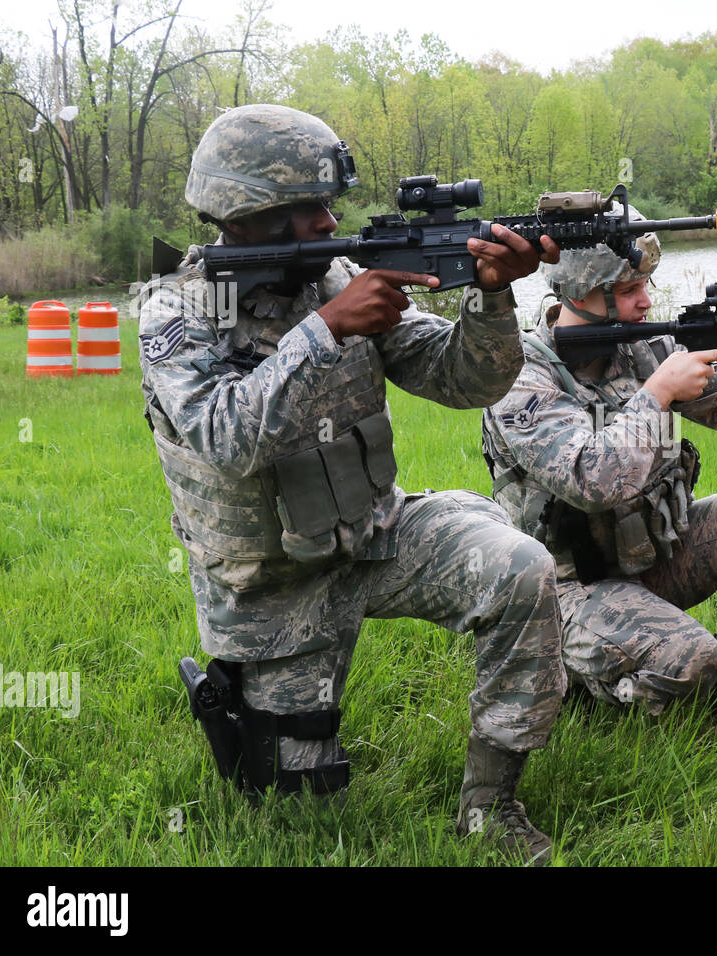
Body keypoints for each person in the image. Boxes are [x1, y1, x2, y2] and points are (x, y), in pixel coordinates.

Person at [139, 103, 565, 862]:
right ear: (249, 212)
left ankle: (489, 808)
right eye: (309, 209)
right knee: (293, 805)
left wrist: (492, 295)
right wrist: (326, 329)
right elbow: (224, 438)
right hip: (271, 586)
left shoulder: (337, 275)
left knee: (522, 568)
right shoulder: (178, 310)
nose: (329, 221)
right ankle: (247, 696)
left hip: (376, 537)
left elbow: (465, 380)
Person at [480, 226, 717, 719]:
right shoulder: (519, 374)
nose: (644, 302)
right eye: (626, 291)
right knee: (690, 658)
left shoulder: (644, 348)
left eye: (647, 286)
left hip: (644, 559)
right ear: (578, 291)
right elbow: (591, 481)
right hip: (563, 590)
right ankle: (581, 690)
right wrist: (657, 394)